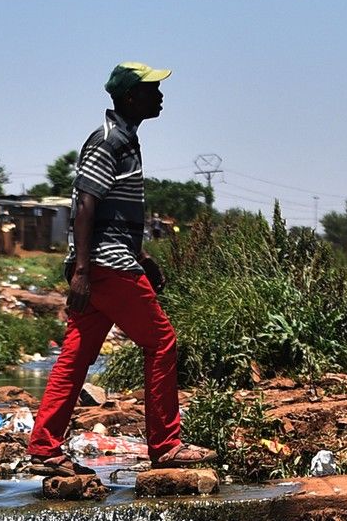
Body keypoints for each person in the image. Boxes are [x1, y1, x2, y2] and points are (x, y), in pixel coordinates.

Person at [26, 62, 214, 478]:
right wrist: (82, 271)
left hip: (108, 262)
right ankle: (166, 445)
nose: (160, 96)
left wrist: (142, 255)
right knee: (162, 341)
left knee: (75, 355)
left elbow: (110, 213)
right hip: (107, 267)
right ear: (130, 97)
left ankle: (44, 447)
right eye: (151, 89)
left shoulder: (126, 140)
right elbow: (85, 205)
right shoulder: (108, 141)